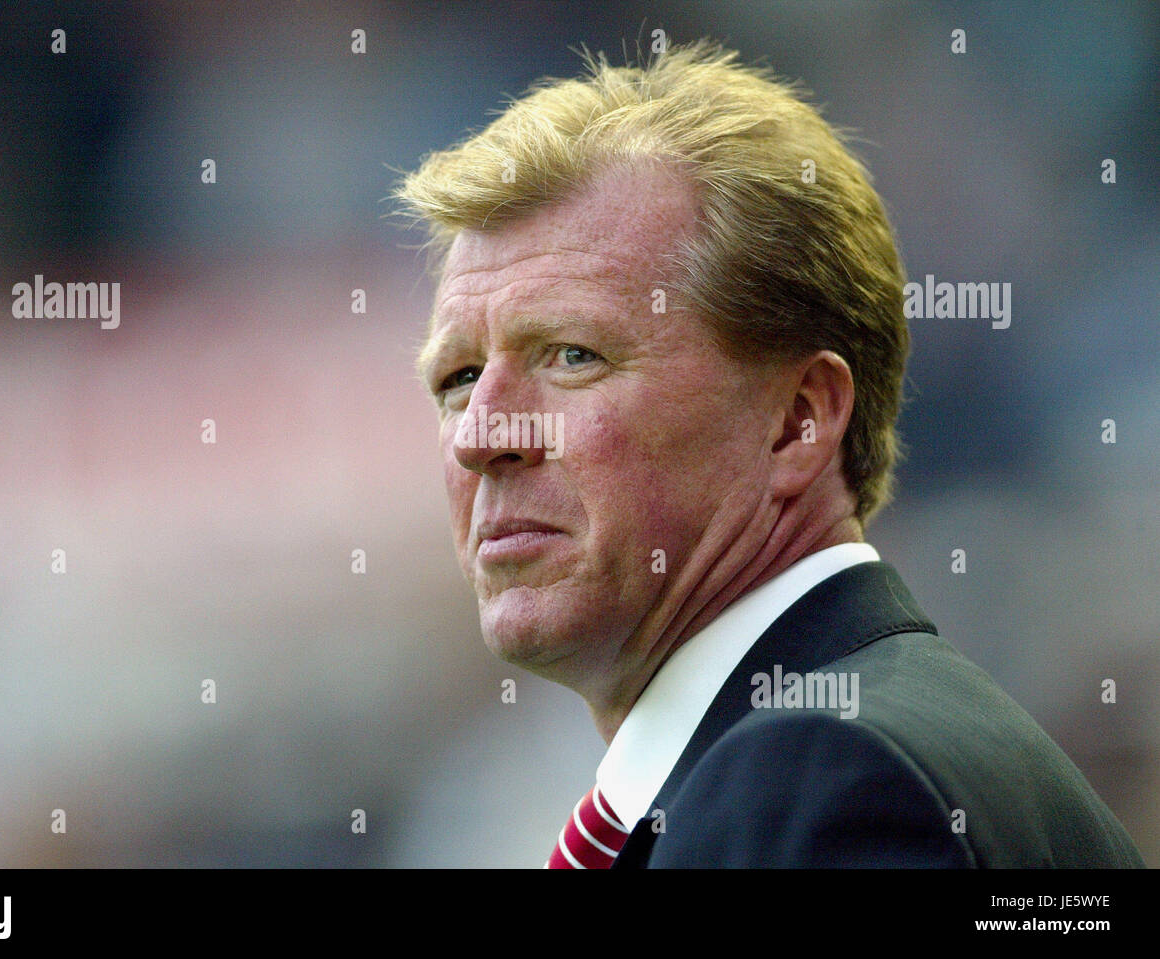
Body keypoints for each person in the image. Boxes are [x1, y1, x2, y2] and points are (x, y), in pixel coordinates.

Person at [392, 41, 1145, 868]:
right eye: (459, 377)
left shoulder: (827, 782)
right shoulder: (847, 751)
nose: (481, 436)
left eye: (572, 355)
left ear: (797, 422)